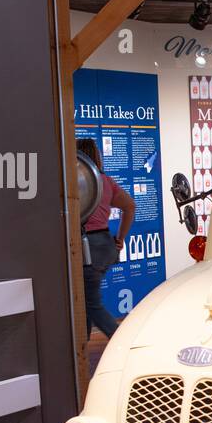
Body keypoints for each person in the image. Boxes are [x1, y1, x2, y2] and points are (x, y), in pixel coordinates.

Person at [77, 138, 135, 340]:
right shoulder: (106, 181)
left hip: (88, 248)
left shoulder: (76, 183)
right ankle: (81, 348)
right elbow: (130, 206)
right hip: (103, 244)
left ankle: (124, 342)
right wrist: (120, 238)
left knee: (91, 304)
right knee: (84, 301)